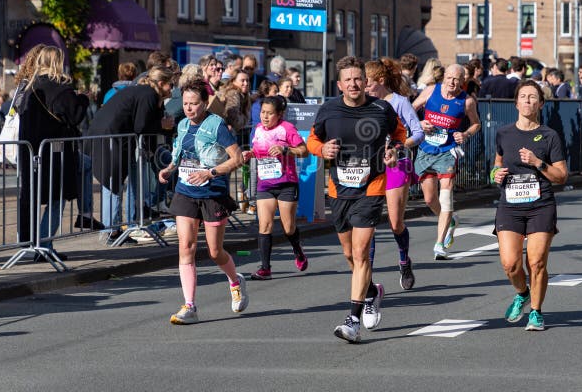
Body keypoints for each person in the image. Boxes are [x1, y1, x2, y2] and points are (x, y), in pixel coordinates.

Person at [306, 56, 404, 343]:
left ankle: (352, 320)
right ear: (340, 84)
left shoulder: (381, 109)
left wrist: (394, 150)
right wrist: (321, 150)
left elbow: (399, 134)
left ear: (366, 81)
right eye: (347, 79)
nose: (353, 83)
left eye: (358, 78)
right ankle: (372, 292)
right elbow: (312, 140)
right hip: (339, 189)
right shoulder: (328, 110)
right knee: (349, 255)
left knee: (361, 253)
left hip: (371, 186)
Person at [158, 78, 247, 325]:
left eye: (194, 104)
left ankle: (236, 281)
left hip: (212, 193)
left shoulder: (216, 125)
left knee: (215, 251)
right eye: (186, 103)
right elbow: (180, 155)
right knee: (186, 246)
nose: (188, 108)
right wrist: (169, 169)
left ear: (205, 103)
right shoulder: (183, 125)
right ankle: (190, 306)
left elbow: (237, 159)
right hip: (186, 191)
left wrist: (211, 172)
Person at [491, 80, 568, 331]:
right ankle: (522, 292)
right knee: (510, 264)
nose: (527, 101)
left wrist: (538, 163)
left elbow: (561, 176)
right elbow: (496, 165)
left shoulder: (550, 136)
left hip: (540, 204)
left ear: (541, 103)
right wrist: (495, 175)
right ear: (516, 103)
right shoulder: (503, 133)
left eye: (533, 97)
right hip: (510, 205)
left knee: (536, 262)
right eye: (523, 97)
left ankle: (536, 311)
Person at [16, 46, 89, 261]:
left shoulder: (29, 86)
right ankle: (44, 244)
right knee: (57, 198)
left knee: (34, 195)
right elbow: (74, 115)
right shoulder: (59, 87)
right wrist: (83, 99)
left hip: (31, 151)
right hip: (55, 153)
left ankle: (34, 243)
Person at [86, 67, 174, 242]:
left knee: (116, 183)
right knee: (112, 183)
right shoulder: (147, 94)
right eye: (170, 84)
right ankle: (111, 231)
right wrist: (162, 125)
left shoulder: (149, 94)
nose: (172, 89)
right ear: (161, 83)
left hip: (112, 136)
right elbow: (141, 126)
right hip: (109, 137)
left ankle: (118, 228)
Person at [365, 58, 424, 290]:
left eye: (367, 83)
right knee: (367, 224)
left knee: (395, 222)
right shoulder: (365, 104)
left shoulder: (399, 102)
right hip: (371, 167)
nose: (363, 87)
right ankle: (366, 276)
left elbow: (418, 132)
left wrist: (397, 146)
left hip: (397, 165)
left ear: (380, 81)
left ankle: (404, 261)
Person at [412, 64, 481, 260]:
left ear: (462, 82)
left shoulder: (467, 101)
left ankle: (439, 244)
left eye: (456, 79)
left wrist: (465, 134)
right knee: (428, 199)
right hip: (426, 149)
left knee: (446, 195)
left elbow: (476, 123)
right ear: (444, 77)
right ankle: (451, 220)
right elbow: (410, 109)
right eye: (449, 78)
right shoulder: (430, 91)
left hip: (448, 152)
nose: (452, 82)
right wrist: (418, 123)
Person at [244, 96, 309, 280]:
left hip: (286, 183)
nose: (265, 117)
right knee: (265, 225)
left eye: (270, 113)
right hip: (265, 183)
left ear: (279, 114)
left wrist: (286, 150)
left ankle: (298, 250)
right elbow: (258, 150)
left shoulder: (287, 128)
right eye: (263, 112)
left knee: (288, 227)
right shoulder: (257, 129)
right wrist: (250, 154)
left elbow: (304, 150)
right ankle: (265, 268)